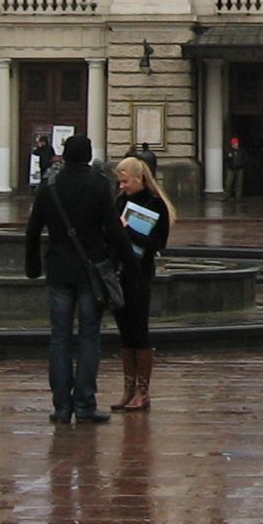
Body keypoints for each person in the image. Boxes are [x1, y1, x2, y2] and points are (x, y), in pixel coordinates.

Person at [25, 135, 129, 424]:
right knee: (89, 336)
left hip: (58, 270)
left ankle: (61, 407)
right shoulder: (98, 185)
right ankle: (84, 403)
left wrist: (32, 266)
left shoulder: (50, 187)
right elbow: (114, 230)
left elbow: (33, 230)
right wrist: (125, 262)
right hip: (90, 271)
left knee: (59, 337)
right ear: (88, 156)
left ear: (64, 155)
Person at [111, 155, 174, 412]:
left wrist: (125, 230)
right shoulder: (120, 201)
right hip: (119, 272)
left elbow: (157, 244)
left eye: (125, 181)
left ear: (138, 178)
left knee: (139, 332)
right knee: (125, 333)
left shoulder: (155, 204)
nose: (121, 186)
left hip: (140, 273)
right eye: (119, 181)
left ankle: (143, 391)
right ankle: (128, 388)